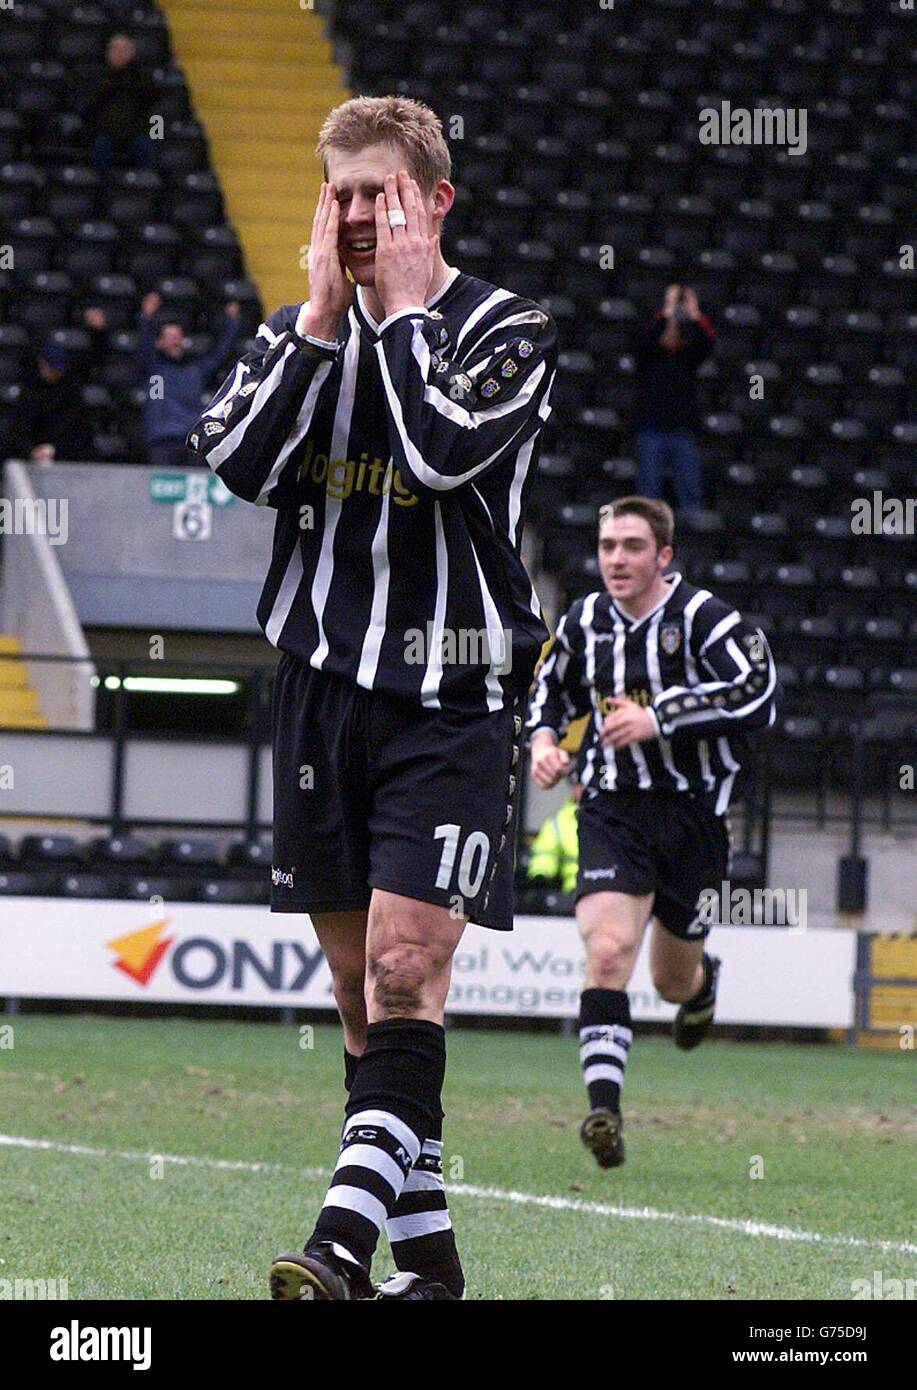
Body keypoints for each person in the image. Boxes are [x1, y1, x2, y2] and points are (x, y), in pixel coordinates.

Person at [186, 95, 557, 1300]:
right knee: (361, 999)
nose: (353, 214)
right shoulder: (292, 333)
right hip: (317, 693)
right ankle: (433, 1271)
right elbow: (235, 463)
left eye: (378, 192)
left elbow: (441, 450)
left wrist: (394, 316)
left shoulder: (509, 330)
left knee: (404, 969)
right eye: (338, 192)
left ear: (433, 201)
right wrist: (313, 327)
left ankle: (339, 1249)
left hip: (451, 695)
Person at [527, 496, 776, 1169]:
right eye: (607, 546)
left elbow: (759, 691)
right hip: (612, 809)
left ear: (663, 556)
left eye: (632, 546)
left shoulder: (704, 619)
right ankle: (603, 1111)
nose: (616, 559)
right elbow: (549, 692)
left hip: (693, 817)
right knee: (608, 954)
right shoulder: (583, 620)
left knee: (670, 981)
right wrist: (544, 742)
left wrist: (660, 717)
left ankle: (700, 985)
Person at [633, 284, 715, 510]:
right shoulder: (649, 357)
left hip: (682, 431)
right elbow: (645, 340)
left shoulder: (687, 359)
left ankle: (691, 531)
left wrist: (694, 314)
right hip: (651, 429)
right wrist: (667, 312)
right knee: (648, 493)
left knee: (691, 491)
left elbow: (707, 343)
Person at [137, 293, 241, 466]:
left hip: (192, 440)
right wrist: (146, 316)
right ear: (159, 342)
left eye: (178, 337)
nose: (175, 342)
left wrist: (231, 323)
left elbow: (219, 354)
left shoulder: (195, 370)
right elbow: (144, 345)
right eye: (170, 338)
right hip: (161, 440)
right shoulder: (153, 368)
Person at [6, 308, 108, 463]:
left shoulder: (70, 380)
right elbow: (19, 431)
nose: (56, 373)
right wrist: (32, 451)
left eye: (59, 369)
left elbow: (96, 357)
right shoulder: (31, 390)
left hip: (69, 453)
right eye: (53, 368)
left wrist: (98, 332)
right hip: (38, 455)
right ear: (42, 364)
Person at [84, 33, 157, 178]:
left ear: (131, 54)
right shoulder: (96, 77)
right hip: (105, 134)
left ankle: (146, 185)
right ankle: (100, 185)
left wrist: (155, 134)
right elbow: (88, 107)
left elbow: (153, 108)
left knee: (147, 146)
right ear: (108, 53)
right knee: (100, 146)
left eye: (124, 50)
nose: (120, 54)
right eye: (116, 50)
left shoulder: (142, 78)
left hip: (134, 134)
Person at [525, 776, 581, 895]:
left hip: (610, 890)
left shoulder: (609, 816)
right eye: (578, 784)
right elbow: (545, 855)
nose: (582, 789)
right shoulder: (559, 822)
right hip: (573, 891)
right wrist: (540, 874)